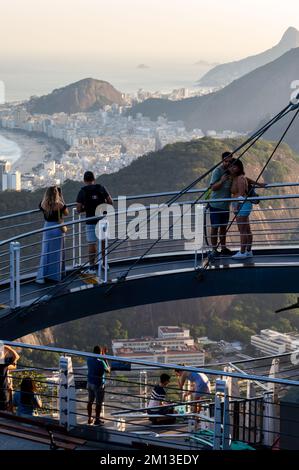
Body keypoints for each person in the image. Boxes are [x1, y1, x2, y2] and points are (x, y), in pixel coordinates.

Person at [76, 171, 113, 274]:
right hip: (102, 219)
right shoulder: (101, 188)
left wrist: (86, 209)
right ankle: (105, 264)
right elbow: (111, 202)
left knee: (92, 244)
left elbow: (78, 209)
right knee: (103, 242)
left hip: (90, 220)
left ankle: (92, 266)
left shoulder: (82, 191)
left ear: (84, 180)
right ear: (94, 179)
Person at [229, 159, 265, 259]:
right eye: (231, 166)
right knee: (247, 229)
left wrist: (236, 207)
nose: (232, 168)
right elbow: (248, 180)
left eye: (234, 166)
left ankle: (242, 252)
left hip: (241, 205)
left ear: (239, 168)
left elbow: (241, 195)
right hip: (244, 205)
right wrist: (260, 184)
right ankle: (248, 251)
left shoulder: (240, 178)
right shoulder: (239, 177)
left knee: (242, 230)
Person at [36, 186, 69, 284]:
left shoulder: (44, 204)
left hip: (47, 228)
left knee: (46, 251)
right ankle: (57, 276)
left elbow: (41, 208)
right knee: (58, 252)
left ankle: (42, 276)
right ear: (57, 194)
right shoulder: (59, 204)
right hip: (57, 228)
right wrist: (61, 198)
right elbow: (66, 213)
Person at [209, 151, 234, 256]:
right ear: (222, 160)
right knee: (215, 227)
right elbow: (213, 187)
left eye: (230, 161)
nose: (228, 163)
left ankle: (223, 248)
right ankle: (214, 250)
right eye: (226, 161)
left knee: (223, 227)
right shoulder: (217, 171)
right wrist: (222, 181)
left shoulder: (231, 171)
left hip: (225, 205)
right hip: (215, 205)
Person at [86, 345, 111, 425]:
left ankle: (89, 418)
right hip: (98, 384)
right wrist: (105, 358)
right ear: (100, 353)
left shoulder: (88, 359)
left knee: (90, 401)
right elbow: (108, 370)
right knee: (98, 403)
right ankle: (97, 420)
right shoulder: (101, 362)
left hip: (90, 383)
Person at [0, 344, 20, 411]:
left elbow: (13, 366)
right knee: (4, 409)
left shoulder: (4, 365)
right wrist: (8, 348)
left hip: (4, 390)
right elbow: (16, 356)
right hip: (2, 391)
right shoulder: (3, 364)